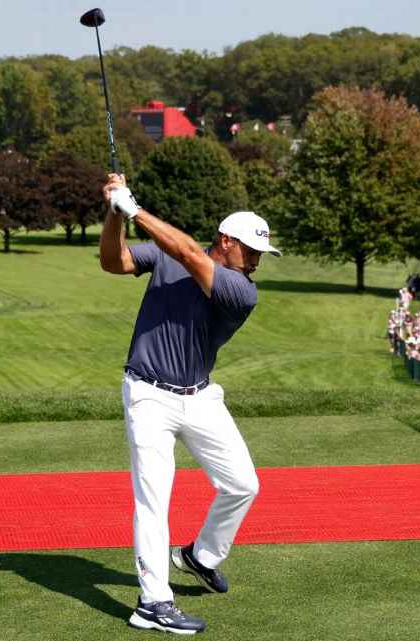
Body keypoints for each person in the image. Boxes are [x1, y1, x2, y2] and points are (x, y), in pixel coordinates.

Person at [99, 174, 279, 634]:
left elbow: (189, 254)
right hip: (147, 395)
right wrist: (115, 214)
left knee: (243, 483)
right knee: (153, 499)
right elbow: (113, 262)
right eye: (252, 251)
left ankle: (200, 556)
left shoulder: (241, 290)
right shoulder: (165, 253)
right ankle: (153, 602)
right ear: (226, 240)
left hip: (199, 397)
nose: (257, 262)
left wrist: (134, 207)